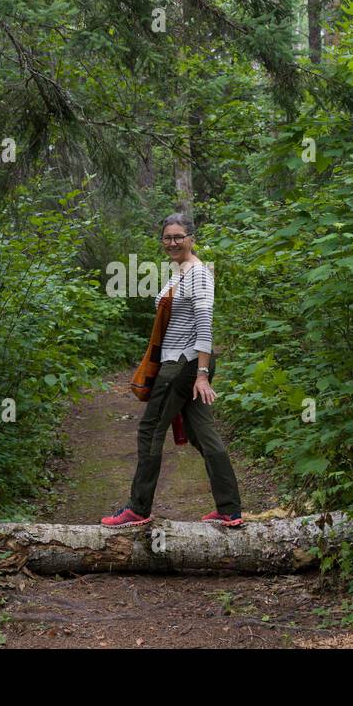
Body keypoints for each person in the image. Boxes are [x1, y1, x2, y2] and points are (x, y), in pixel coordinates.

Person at [102, 212, 244, 528]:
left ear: (192, 238)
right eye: (167, 237)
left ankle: (138, 508)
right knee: (202, 433)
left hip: (184, 364)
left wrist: (202, 374)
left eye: (179, 236)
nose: (172, 242)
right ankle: (230, 509)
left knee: (150, 430)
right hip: (184, 362)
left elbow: (204, 325)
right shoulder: (177, 273)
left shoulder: (198, 274)